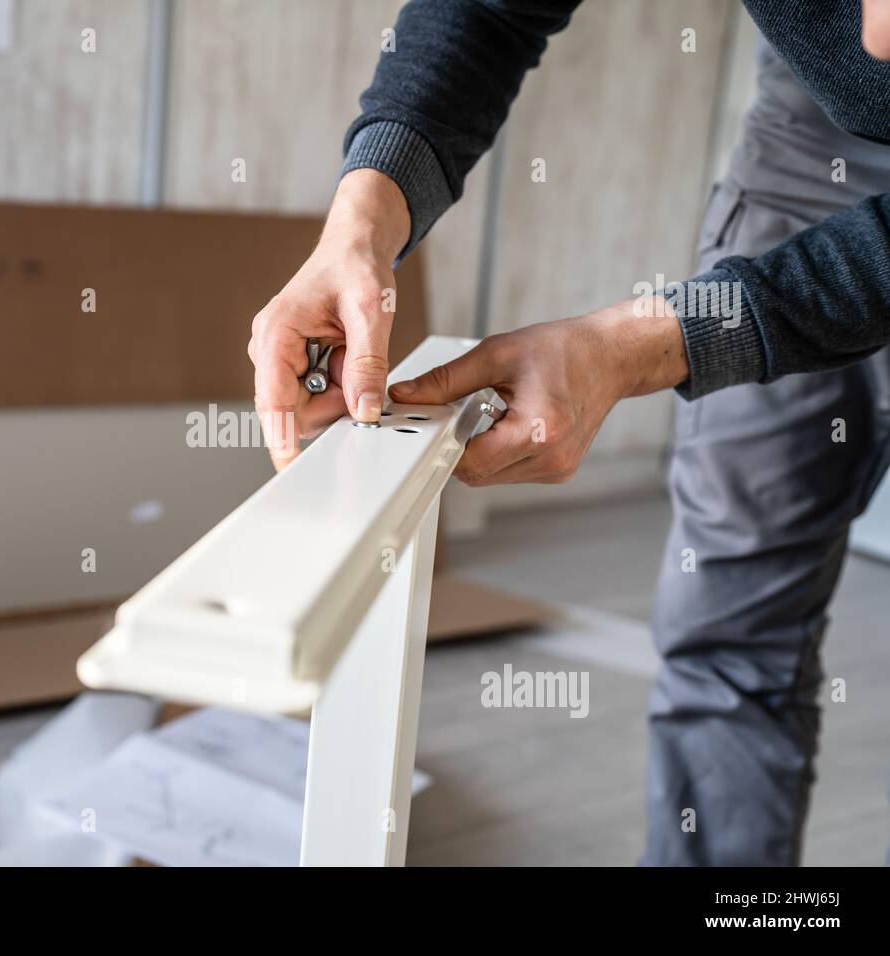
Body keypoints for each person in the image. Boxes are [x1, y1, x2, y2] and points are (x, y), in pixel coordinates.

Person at [248, 0, 890, 865]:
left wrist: (639, 347)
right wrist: (362, 219)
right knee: (734, 627)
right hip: (814, 151)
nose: (872, 41)